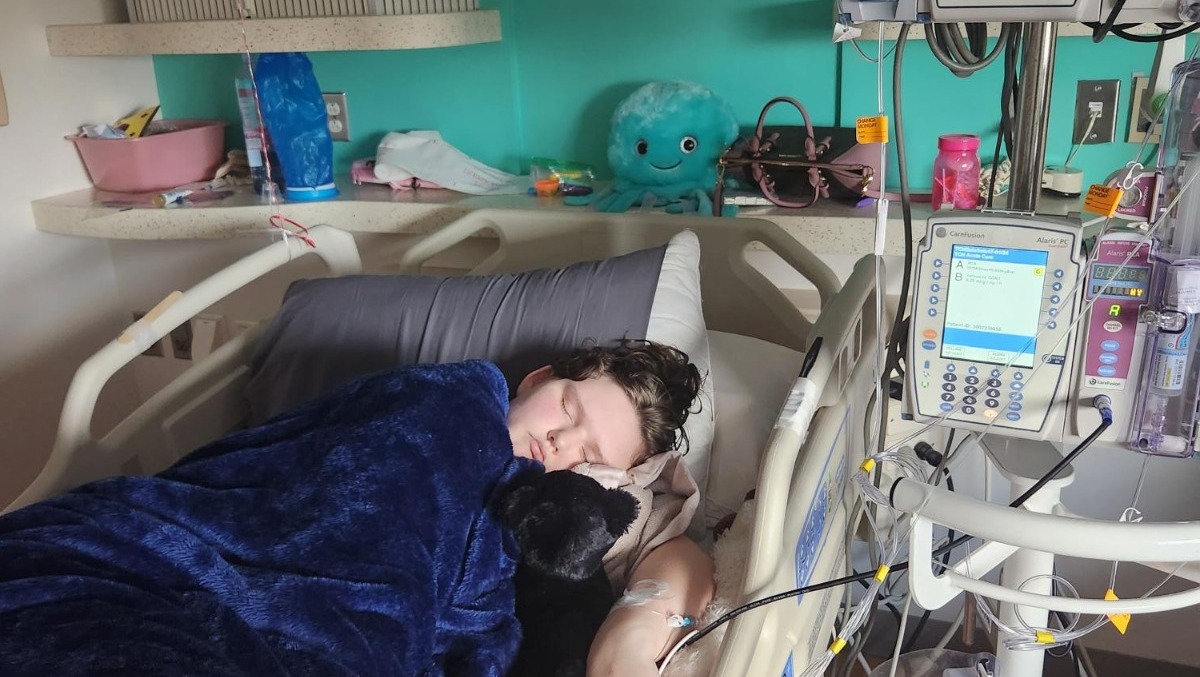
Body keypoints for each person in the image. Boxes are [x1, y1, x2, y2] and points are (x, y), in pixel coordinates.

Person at [505, 340, 714, 677]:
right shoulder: (441, 399)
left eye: (588, 456)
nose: (562, 439)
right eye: (567, 408)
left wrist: (628, 643)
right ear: (537, 380)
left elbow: (678, 559)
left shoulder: (578, 512)